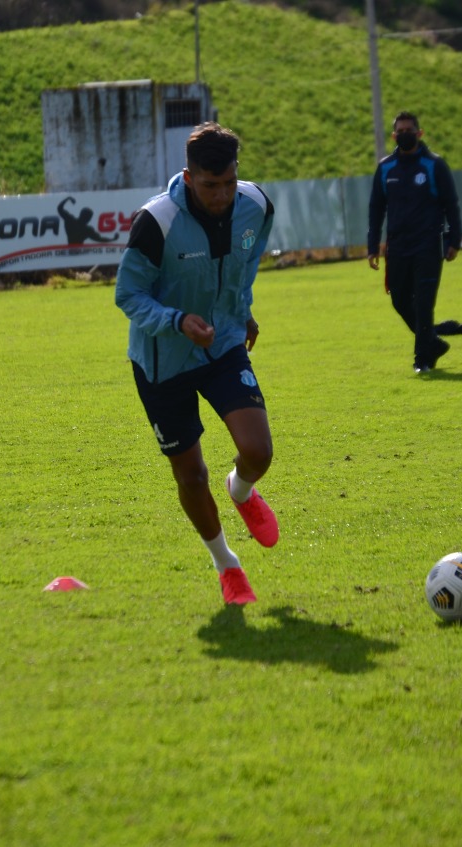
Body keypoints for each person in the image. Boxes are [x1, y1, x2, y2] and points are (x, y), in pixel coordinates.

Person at [115, 122, 278, 606]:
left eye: (229, 182)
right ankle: (227, 565)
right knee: (190, 475)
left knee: (259, 451)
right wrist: (177, 319)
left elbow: (243, 263)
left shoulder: (257, 206)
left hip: (223, 344)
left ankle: (243, 491)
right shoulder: (157, 221)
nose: (223, 195)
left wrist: (241, 307)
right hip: (162, 362)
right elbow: (128, 294)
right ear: (188, 178)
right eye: (210, 186)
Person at [367, 111, 462, 374]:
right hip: (397, 247)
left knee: (423, 302)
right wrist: (373, 244)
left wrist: (455, 239)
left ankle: (422, 359)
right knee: (399, 300)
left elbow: (451, 203)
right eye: (400, 130)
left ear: (419, 133)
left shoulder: (434, 165)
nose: (405, 134)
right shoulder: (386, 167)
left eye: (410, 129)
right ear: (394, 135)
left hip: (428, 245)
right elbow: (376, 207)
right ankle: (431, 342)